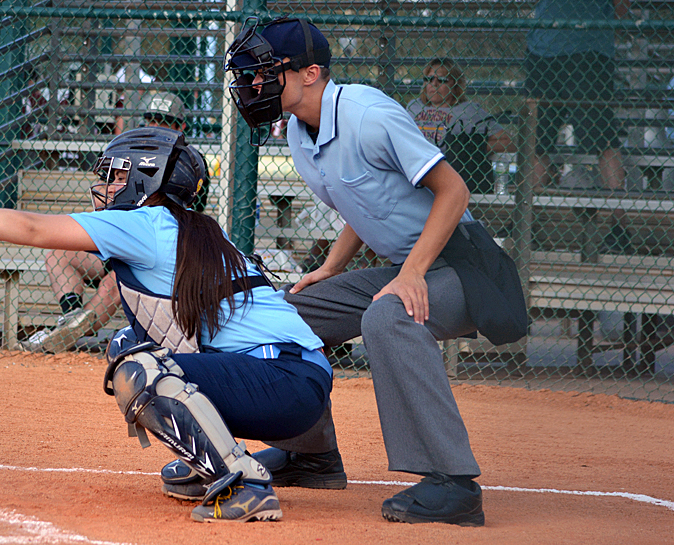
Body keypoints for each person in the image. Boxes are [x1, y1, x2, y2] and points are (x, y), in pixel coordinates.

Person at [0, 127, 334, 522]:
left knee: (140, 371)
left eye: (117, 175)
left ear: (144, 179)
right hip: (293, 384)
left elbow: (31, 228)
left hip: (284, 380)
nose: (107, 186)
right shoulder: (183, 226)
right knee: (128, 342)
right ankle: (216, 459)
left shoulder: (146, 223)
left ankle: (244, 486)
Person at [221, 17, 529, 526]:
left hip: (465, 265)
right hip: (408, 267)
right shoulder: (299, 132)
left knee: (389, 317)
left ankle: (453, 484)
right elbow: (361, 206)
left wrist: (410, 274)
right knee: (290, 313)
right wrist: (328, 268)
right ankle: (311, 454)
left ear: (312, 73)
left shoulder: (368, 114)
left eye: (265, 72)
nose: (253, 85)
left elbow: (454, 192)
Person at [23, 92, 209, 353]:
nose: (156, 124)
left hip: (154, 254)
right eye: (151, 118)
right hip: (121, 241)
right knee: (59, 254)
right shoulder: (132, 155)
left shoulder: (189, 164)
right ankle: (73, 317)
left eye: (165, 120)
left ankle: (70, 334)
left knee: (113, 282)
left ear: (181, 127)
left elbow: (189, 216)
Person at [526, 0, 631, 251]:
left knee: (603, 138)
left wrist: (595, 24)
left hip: (588, 51)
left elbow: (622, 6)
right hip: (542, 50)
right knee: (536, 140)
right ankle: (526, 224)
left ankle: (621, 227)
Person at [406, 57, 516, 195]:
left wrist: (469, 149)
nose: (433, 84)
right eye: (429, 79)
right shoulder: (414, 107)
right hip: (416, 166)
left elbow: (507, 141)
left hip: (449, 170)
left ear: (455, 84)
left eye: (441, 80)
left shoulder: (468, 110)